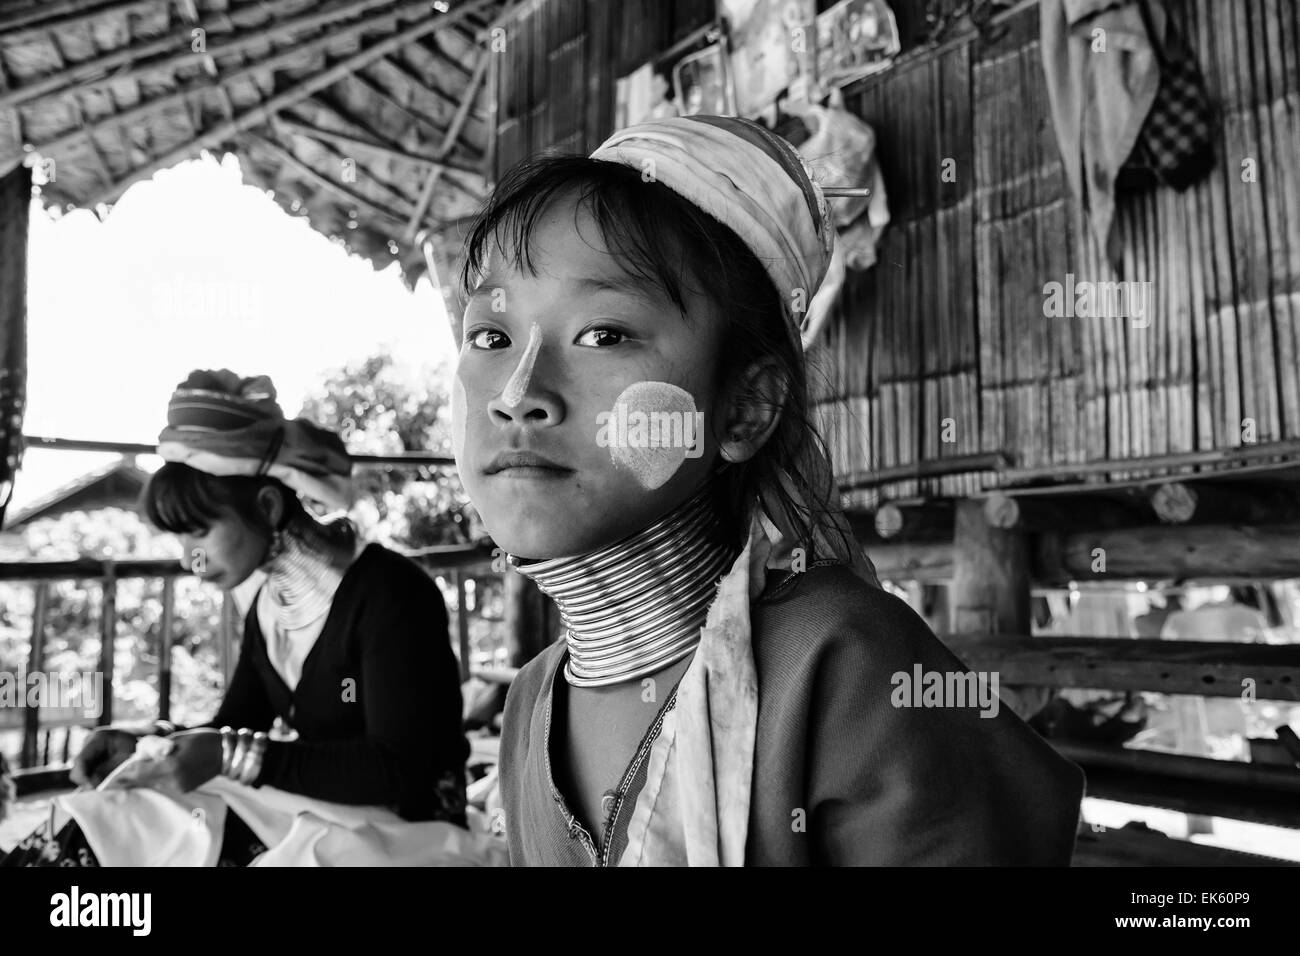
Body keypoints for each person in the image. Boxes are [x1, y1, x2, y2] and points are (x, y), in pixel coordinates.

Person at [452, 114, 1085, 866]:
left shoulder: (849, 671)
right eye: (492, 338)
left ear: (746, 409)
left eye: (604, 333)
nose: (518, 394)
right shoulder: (530, 704)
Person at [3, 369, 475, 866]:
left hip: (411, 829)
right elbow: (234, 725)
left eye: (199, 533)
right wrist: (146, 743)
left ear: (268, 508)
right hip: (330, 812)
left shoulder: (391, 593)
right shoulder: (269, 606)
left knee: (135, 830)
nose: (190, 560)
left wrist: (228, 755)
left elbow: (398, 768)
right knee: (113, 818)